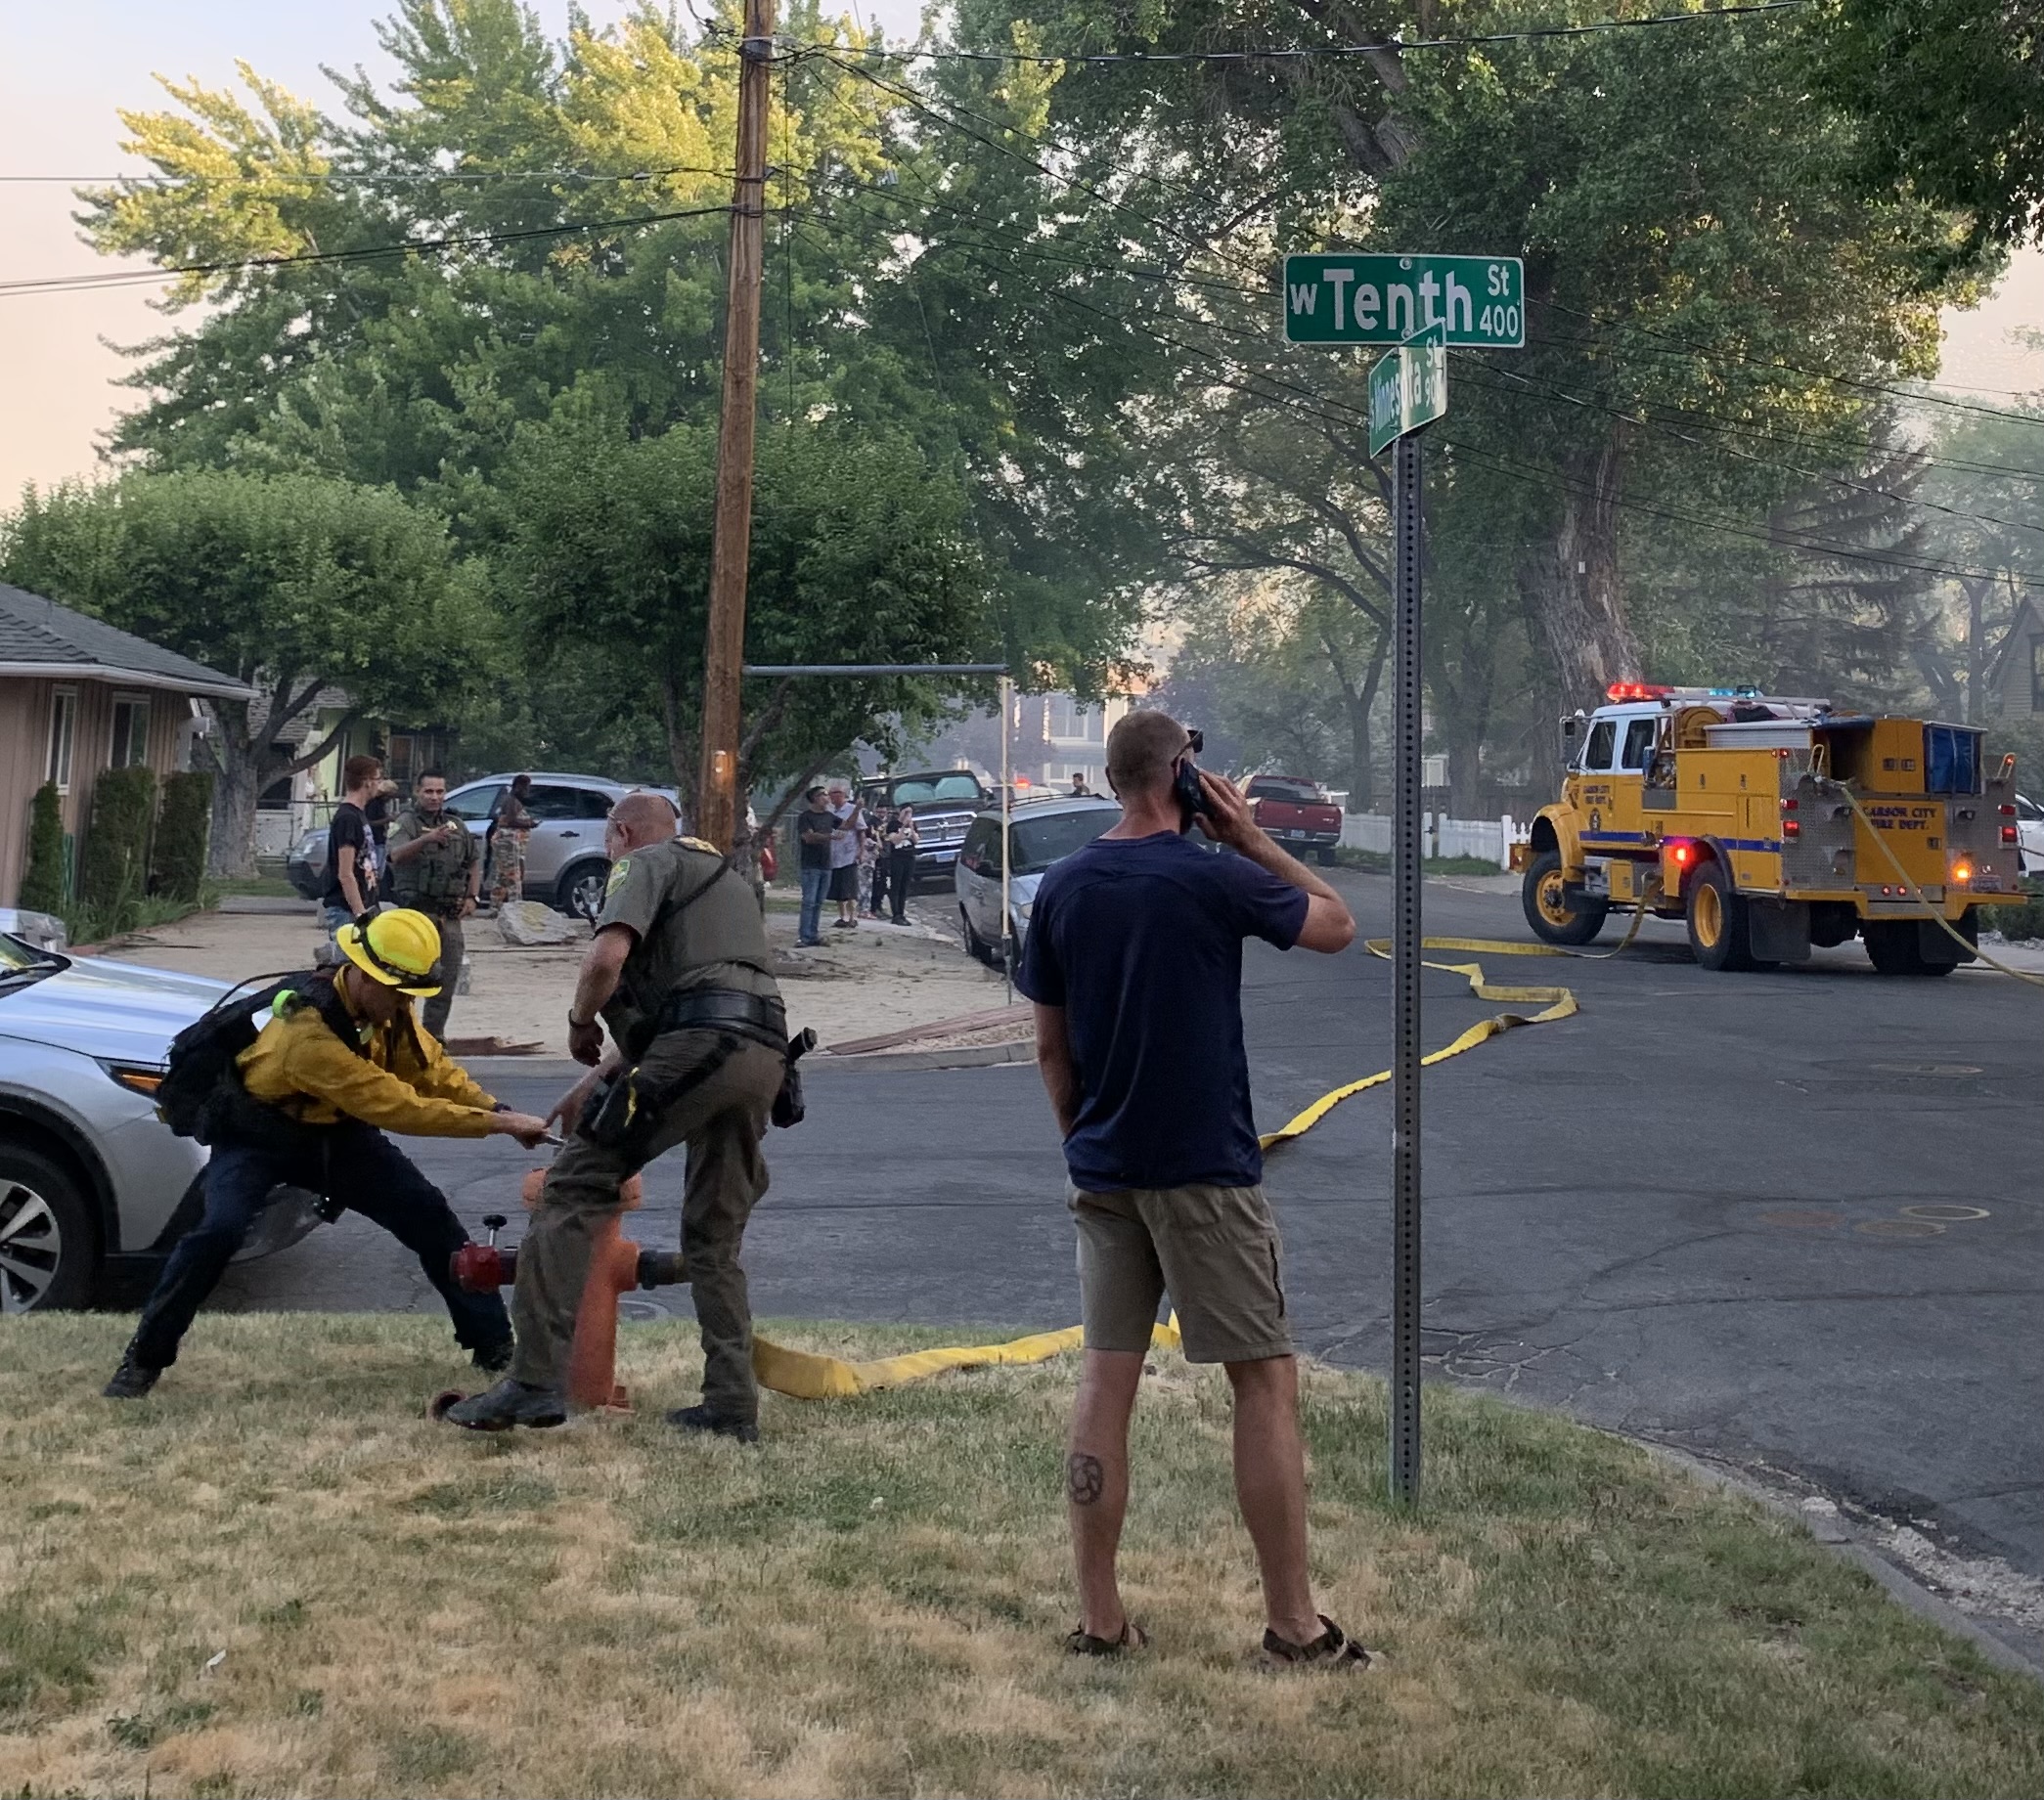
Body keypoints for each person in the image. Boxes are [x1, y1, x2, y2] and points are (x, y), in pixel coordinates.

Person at [1014, 709, 1376, 1669]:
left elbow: (1049, 1046)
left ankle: (1099, 1618)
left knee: (1105, 1378)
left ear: (1108, 777)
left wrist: (1083, 1142)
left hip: (1103, 1170)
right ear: (1178, 775)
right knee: (1261, 1376)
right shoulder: (1213, 875)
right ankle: (1294, 1627)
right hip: (1203, 1172)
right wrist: (1250, 835)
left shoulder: (1060, 886)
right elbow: (1336, 927)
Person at [445, 794, 789, 1439]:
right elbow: (700, 995)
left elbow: (606, 961)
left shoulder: (642, 863)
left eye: (609, 842)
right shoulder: (731, 881)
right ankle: (731, 1404)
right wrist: (595, 1077)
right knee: (714, 1239)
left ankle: (533, 1382)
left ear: (622, 832)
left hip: (698, 1047)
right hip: (764, 1058)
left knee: (571, 1189)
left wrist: (579, 1023)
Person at [103, 908, 554, 1399]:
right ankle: (143, 1361)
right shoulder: (307, 1033)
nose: (404, 1003)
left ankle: (492, 1348)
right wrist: (500, 1124)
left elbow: (431, 1073)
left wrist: (496, 1107)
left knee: (431, 1219)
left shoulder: (389, 1009)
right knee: (218, 1232)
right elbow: (398, 1106)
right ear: (360, 972)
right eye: (397, 992)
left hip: (336, 1136)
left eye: (411, 994)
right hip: (259, 1138)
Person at [386, 770, 481, 1040]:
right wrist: (426, 839)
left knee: (444, 985)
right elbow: (395, 855)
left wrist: (473, 897)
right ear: (418, 792)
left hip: (449, 917)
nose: (435, 797)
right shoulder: (406, 823)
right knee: (405, 984)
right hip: (415, 916)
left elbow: (473, 861)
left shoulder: (456, 825)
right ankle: (399, 1042)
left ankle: (432, 1042)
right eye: (429, 791)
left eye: (440, 791)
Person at [320, 754, 383, 937]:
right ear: (368, 781)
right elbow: (345, 873)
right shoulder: (348, 818)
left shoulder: (360, 815)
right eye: (378, 779)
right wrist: (359, 913)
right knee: (347, 963)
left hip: (366, 905)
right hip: (346, 911)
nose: (380, 784)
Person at [793, 785, 835, 947]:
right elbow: (808, 837)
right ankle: (804, 936)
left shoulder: (830, 816)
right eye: (823, 795)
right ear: (815, 798)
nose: (827, 797)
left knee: (818, 902)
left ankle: (813, 934)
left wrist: (857, 809)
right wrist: (829, 836)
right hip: (810, 865)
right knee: (809, 901)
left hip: (826, 864)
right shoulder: (806, 817)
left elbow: (846, 826)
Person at [488, 774, 538, 907]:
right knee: (513, 876)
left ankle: (495, 906)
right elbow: (510, 820)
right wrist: (529, 823)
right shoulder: (511, 800)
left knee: (502, 876)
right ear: (519, 786)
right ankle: (516, 907)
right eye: (526, 787)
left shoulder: (514, 800)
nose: (527, 790)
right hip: (508, 843)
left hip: (512, 844)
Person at [826, 781, 863, 930]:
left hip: (849, 853)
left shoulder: (852, 810)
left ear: (841, 795)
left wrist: (861, 850)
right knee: (838, 888)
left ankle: (853, 917)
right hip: (835, 854)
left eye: (834, 794)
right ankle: (842, 917)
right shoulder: (830, 812)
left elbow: (860, 830)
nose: (831, 797)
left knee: (850, 888)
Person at [884, 805, 919, 925]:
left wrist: (912, 828)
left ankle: (902, 913)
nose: (908, 815)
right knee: (896, 886)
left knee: (905, 887)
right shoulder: (893, 825)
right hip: (897, 858)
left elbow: (916, 840)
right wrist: (903, 826)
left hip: (909, 858)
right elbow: (895, 840)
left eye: (910, 813)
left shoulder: (913, 825)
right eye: (906, 812)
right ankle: (896, 914)